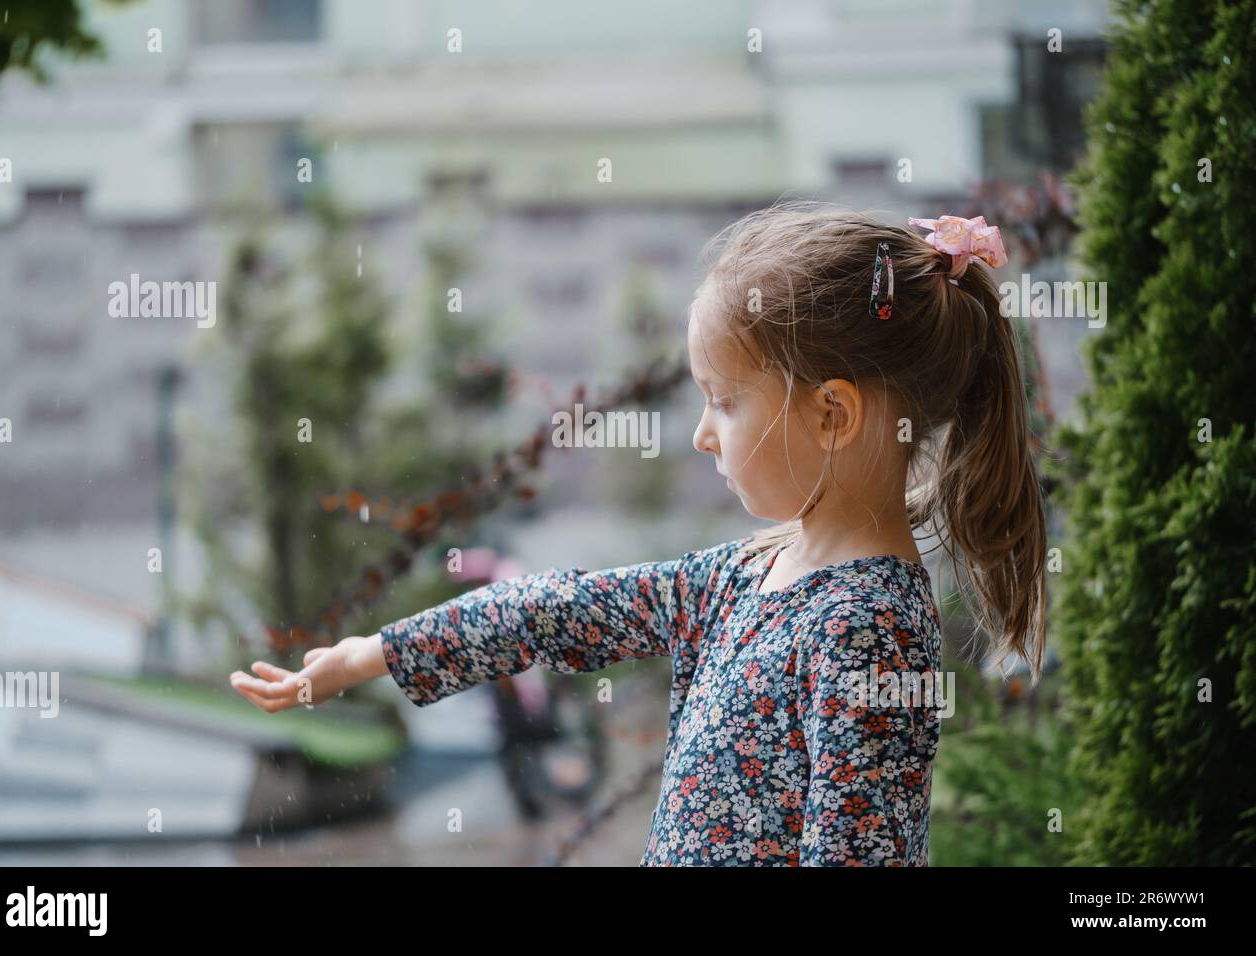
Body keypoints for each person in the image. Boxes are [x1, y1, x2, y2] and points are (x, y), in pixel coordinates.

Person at [231, 201, 1048, 866]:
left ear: (832, 413)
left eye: (725, 401)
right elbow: (553, 612)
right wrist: (369, 655)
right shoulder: (742, 575)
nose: (702, 433)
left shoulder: (868, 629)